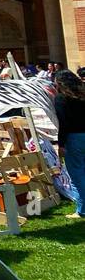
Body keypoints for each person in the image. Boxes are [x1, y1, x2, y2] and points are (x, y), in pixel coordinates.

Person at [52, 70, 85, 220]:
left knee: (77, 174)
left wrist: (61, 143)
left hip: (74, 138)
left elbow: (63, 123)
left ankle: (82, 209)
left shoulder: (61, 98)